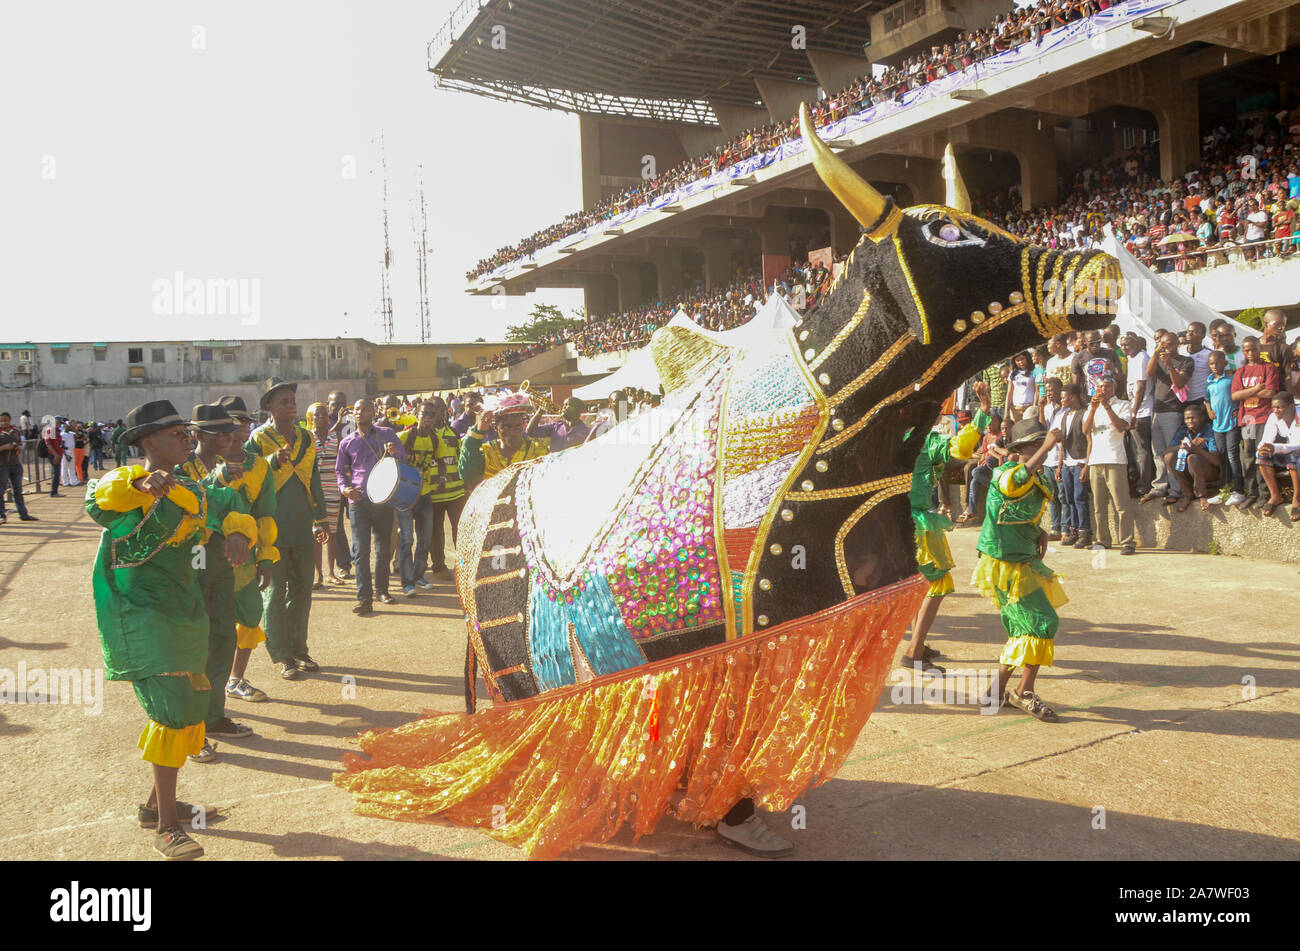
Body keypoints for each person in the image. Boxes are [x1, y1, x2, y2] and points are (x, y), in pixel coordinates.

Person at [86, 399, 255, 859]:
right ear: (147, 443)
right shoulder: (128, 487)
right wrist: (144, 482)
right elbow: (103, 500)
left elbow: (225, 506)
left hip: (183, 610)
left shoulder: (190, 488)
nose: (186, 439)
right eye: (176, 434)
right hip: (141, 614)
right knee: (171, 707)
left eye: (186, 433)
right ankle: (168, 826)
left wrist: (239, 532)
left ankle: (153, 804)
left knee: (190, 704)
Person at [176, 404, 260, 760]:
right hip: (190, 565)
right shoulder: (181, 471)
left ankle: (214, 716)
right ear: (199, 436)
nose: (229, 438)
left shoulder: (226, 471)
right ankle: (190, 729)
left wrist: (240, 529)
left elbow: (238, 507)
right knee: (195, 647)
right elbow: (194, 515)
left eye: (231, 432)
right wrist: (227, 526)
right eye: (220, 433)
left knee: (224, 637)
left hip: (221, 568)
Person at [972, 419, 1068, 723]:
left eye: (1043, 443)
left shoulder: (1037, 478)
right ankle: (1023, 693)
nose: (1042, 448)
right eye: (1036, 443)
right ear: (1023, 448)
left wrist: (1037, 529)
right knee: (1041, 622)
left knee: (1024, 626)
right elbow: (1014, 485)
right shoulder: (1008, 474)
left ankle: (997, 691)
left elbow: (1014, 510)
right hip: (1005, 563)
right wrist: (1049, 445)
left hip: (1021, 558)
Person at [900, 380, 992, 673]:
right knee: (937, 584)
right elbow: (960, 448)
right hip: (918, 522)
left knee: (919, 582)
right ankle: (914, 651)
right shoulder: (926, 441)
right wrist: (984, 412)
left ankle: (917, 642)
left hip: (896, 520)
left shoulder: (895, 437)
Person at [247, 378, 329, 681]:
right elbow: (244, 475)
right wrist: (269, 462)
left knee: (302, 590)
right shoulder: (257, 439)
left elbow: (315, 482)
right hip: (271, 529)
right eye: (283, 401)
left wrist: (321, 519)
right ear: (269, 406)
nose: (291, 405)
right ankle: (281, 655)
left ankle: (299, 649)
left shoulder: (306, 439)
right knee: (274, 593)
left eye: (293, 400)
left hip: (302, 526)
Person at [213, 395, 275, 705]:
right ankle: (208, 690)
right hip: (208, 559)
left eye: (243, 423)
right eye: (231, 423)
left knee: (250, 616)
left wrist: (264, 557)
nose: (238, 430)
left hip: (245, 560)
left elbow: (264, 515)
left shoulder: (260, 466)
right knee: (210, 625)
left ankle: (235, 679)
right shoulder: (201, 465)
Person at [336, 398, 405, 615]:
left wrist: (395, 452)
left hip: (384, 500)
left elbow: (403, 459)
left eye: (365, 409)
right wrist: (344, 489)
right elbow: (340, 471)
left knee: (383, 549)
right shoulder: (346, 442)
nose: (361, 412)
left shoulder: (387, 434)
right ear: (352, 414)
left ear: (373, 412)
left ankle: (382, 590)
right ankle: (364, 598)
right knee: (361, 550)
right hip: (359, 501)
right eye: (357, 409)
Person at [398, 398, 464, 590]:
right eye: (424, 414)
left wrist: (442, 478)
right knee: (407, 539)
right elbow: (390, 459)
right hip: (406, 497)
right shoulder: (404, 437)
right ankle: (407, 582)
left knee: (425, 540)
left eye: (431, 414)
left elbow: (442, 460)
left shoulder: (435, 438)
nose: (428, 418)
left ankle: (418, 576)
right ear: (416, 415)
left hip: (426, 495)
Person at [1082, 365, 1135, 554]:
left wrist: (1106, 406)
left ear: (1114, 387)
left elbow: (1121, 426)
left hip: (1115, 458)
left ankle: (1127, 541)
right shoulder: (1092, 406)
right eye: (1101, 387)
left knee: (1121, 504)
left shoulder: (1123, 405)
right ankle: (1103, 539)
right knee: (1098, 505)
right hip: (1097, 459)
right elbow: (1085, 430)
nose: (1104, 390)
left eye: (1108, 387)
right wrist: (1094, 408)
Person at [1141, 330, 1193, 503]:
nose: (1167, 347)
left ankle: (1176, 489)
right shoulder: (1159, 359)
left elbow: (1179, 383)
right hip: (1157, 410)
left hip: (1173, 411)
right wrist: (1156, 353)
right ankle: (1160, 486)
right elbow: (1149, 373)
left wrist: (1170, 366)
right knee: (1158, 453)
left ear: (1177, 344)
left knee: (1172, 452)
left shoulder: (1186, 361)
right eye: (1163, 344)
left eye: (1170, 344)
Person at [458, 392, 549, 485]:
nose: (512, 432)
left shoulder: (537, 451)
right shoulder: (486, 452)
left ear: (523, 426)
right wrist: (476, 434)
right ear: (495, 427)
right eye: (506, 427)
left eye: (517, 426)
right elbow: (467, 476)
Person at [1232, 335, 1280, 509]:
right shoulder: (1241, 372)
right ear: (1243, 351)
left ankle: (1264, 494)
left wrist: (1247, 392)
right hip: (1248, 418)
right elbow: (1235, 395)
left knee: (1262, 454)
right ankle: (1252, 493)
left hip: (1264, 418)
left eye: (1253, 349)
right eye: (1247, 350)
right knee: (1248, 456)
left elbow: (1270, 393)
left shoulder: (1269, 368)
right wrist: (1257, 388)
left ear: (1259, 349)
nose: (1250, 353)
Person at [306, 402, 345, 587]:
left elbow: (342, 463)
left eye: (324, 414)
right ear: (310, 418)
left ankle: (330, 572)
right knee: (316, 531)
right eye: (317, 414)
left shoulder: (336, 436)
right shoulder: (306, 438)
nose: (321, 417)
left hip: (332, 489)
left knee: (332, 531)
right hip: (313, 489)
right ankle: (317, 575)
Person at [1162, 402, 1221, 512]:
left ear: (1202, 418)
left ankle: (1202, 495)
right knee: (1169, 457)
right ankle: (1188, 494)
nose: (1190, 421)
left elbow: (1216, 461)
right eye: (1187, 418)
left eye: (1193, 418)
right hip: (1190, 472)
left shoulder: (1209, 430)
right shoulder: (1183, 430)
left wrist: (1196, 449)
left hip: (1210, 472)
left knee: (1192, 458)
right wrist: (1182, 446)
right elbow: (1166, 451)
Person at [1205, 349, 1246, 507]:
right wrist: (1209, 410)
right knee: (1222, 457)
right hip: (1217, 425)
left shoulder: (1232, 378)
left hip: (1232, 423)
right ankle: (1224, 490)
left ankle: (1239, 490)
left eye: (1217, 363)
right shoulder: (1209, 381)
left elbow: (1239, 396)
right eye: (1211, 363)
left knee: (1233, 456)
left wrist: (1238, 409)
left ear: (1224, 362)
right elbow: (1206, 399)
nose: (1214, 366)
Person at [1056, 383, 1092, 548]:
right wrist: (1059, 465)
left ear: (1073, 397)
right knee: (1069, 499)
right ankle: (1074, 530)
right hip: (1067, 464)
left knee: (1080, 499)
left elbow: (1090, 440)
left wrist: (1086, 465)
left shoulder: (1084, 414)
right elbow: (1062, 444)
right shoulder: (1064, 416)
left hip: (1079, 462)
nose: (1062, 400)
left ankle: (1085, 532)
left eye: (1064, 397)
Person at [1256, 392, 1300, 518]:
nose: (1276, 410)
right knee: (1261, 456)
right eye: (1273, 407)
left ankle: (1297, 499)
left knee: (1293, 457)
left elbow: (1298, 444)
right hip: (1286, 450)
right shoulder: (1273, 417)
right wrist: (1262, 448)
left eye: (1280, 407)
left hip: (1296, 450)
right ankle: (1275, 496)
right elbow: (1266, 439)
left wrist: (1274, 447)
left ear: (1292, 406)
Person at [1122, 333, 1155, 497]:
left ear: (1136, 343)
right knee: (1135, 450)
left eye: (1127, 344)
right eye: (1122, 345)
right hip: (1134, 410)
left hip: (1142, 411)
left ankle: (1145, 485)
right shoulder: (1131, 358)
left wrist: (1134, 413)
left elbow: (1141, 387)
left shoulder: (1142, 357)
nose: (1124, 348)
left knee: (1142, 450)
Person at [0, 412, 37, 522]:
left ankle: (23, 514)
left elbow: (20, 443)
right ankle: (2, 515)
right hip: (2, 466)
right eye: (1, 420)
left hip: (15, 464)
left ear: (10, 420)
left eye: (5, 420)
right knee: (1, 491)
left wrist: (19, 447)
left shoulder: (15, 431)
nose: (3, 423)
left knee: (18, 491)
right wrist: (4, 447)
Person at [526, 396, 591, 451]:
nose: (564, 407)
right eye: (564, 404)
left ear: (578, 410)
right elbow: (531, 432)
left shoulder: (585, 432)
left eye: (569, 405)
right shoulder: (556, 426)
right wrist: (540, 411)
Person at [1005, 350, 1037, 422]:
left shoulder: (1034, 371)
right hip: (1016, 408)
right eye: (1018, 360)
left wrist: (1034, 407)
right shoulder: (1012, 374)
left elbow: (1036, 390)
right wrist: (1006, 411)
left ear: (1027, 358)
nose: (1021, 362)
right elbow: (1009, 393)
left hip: (1029, 407)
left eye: (1022, 359)